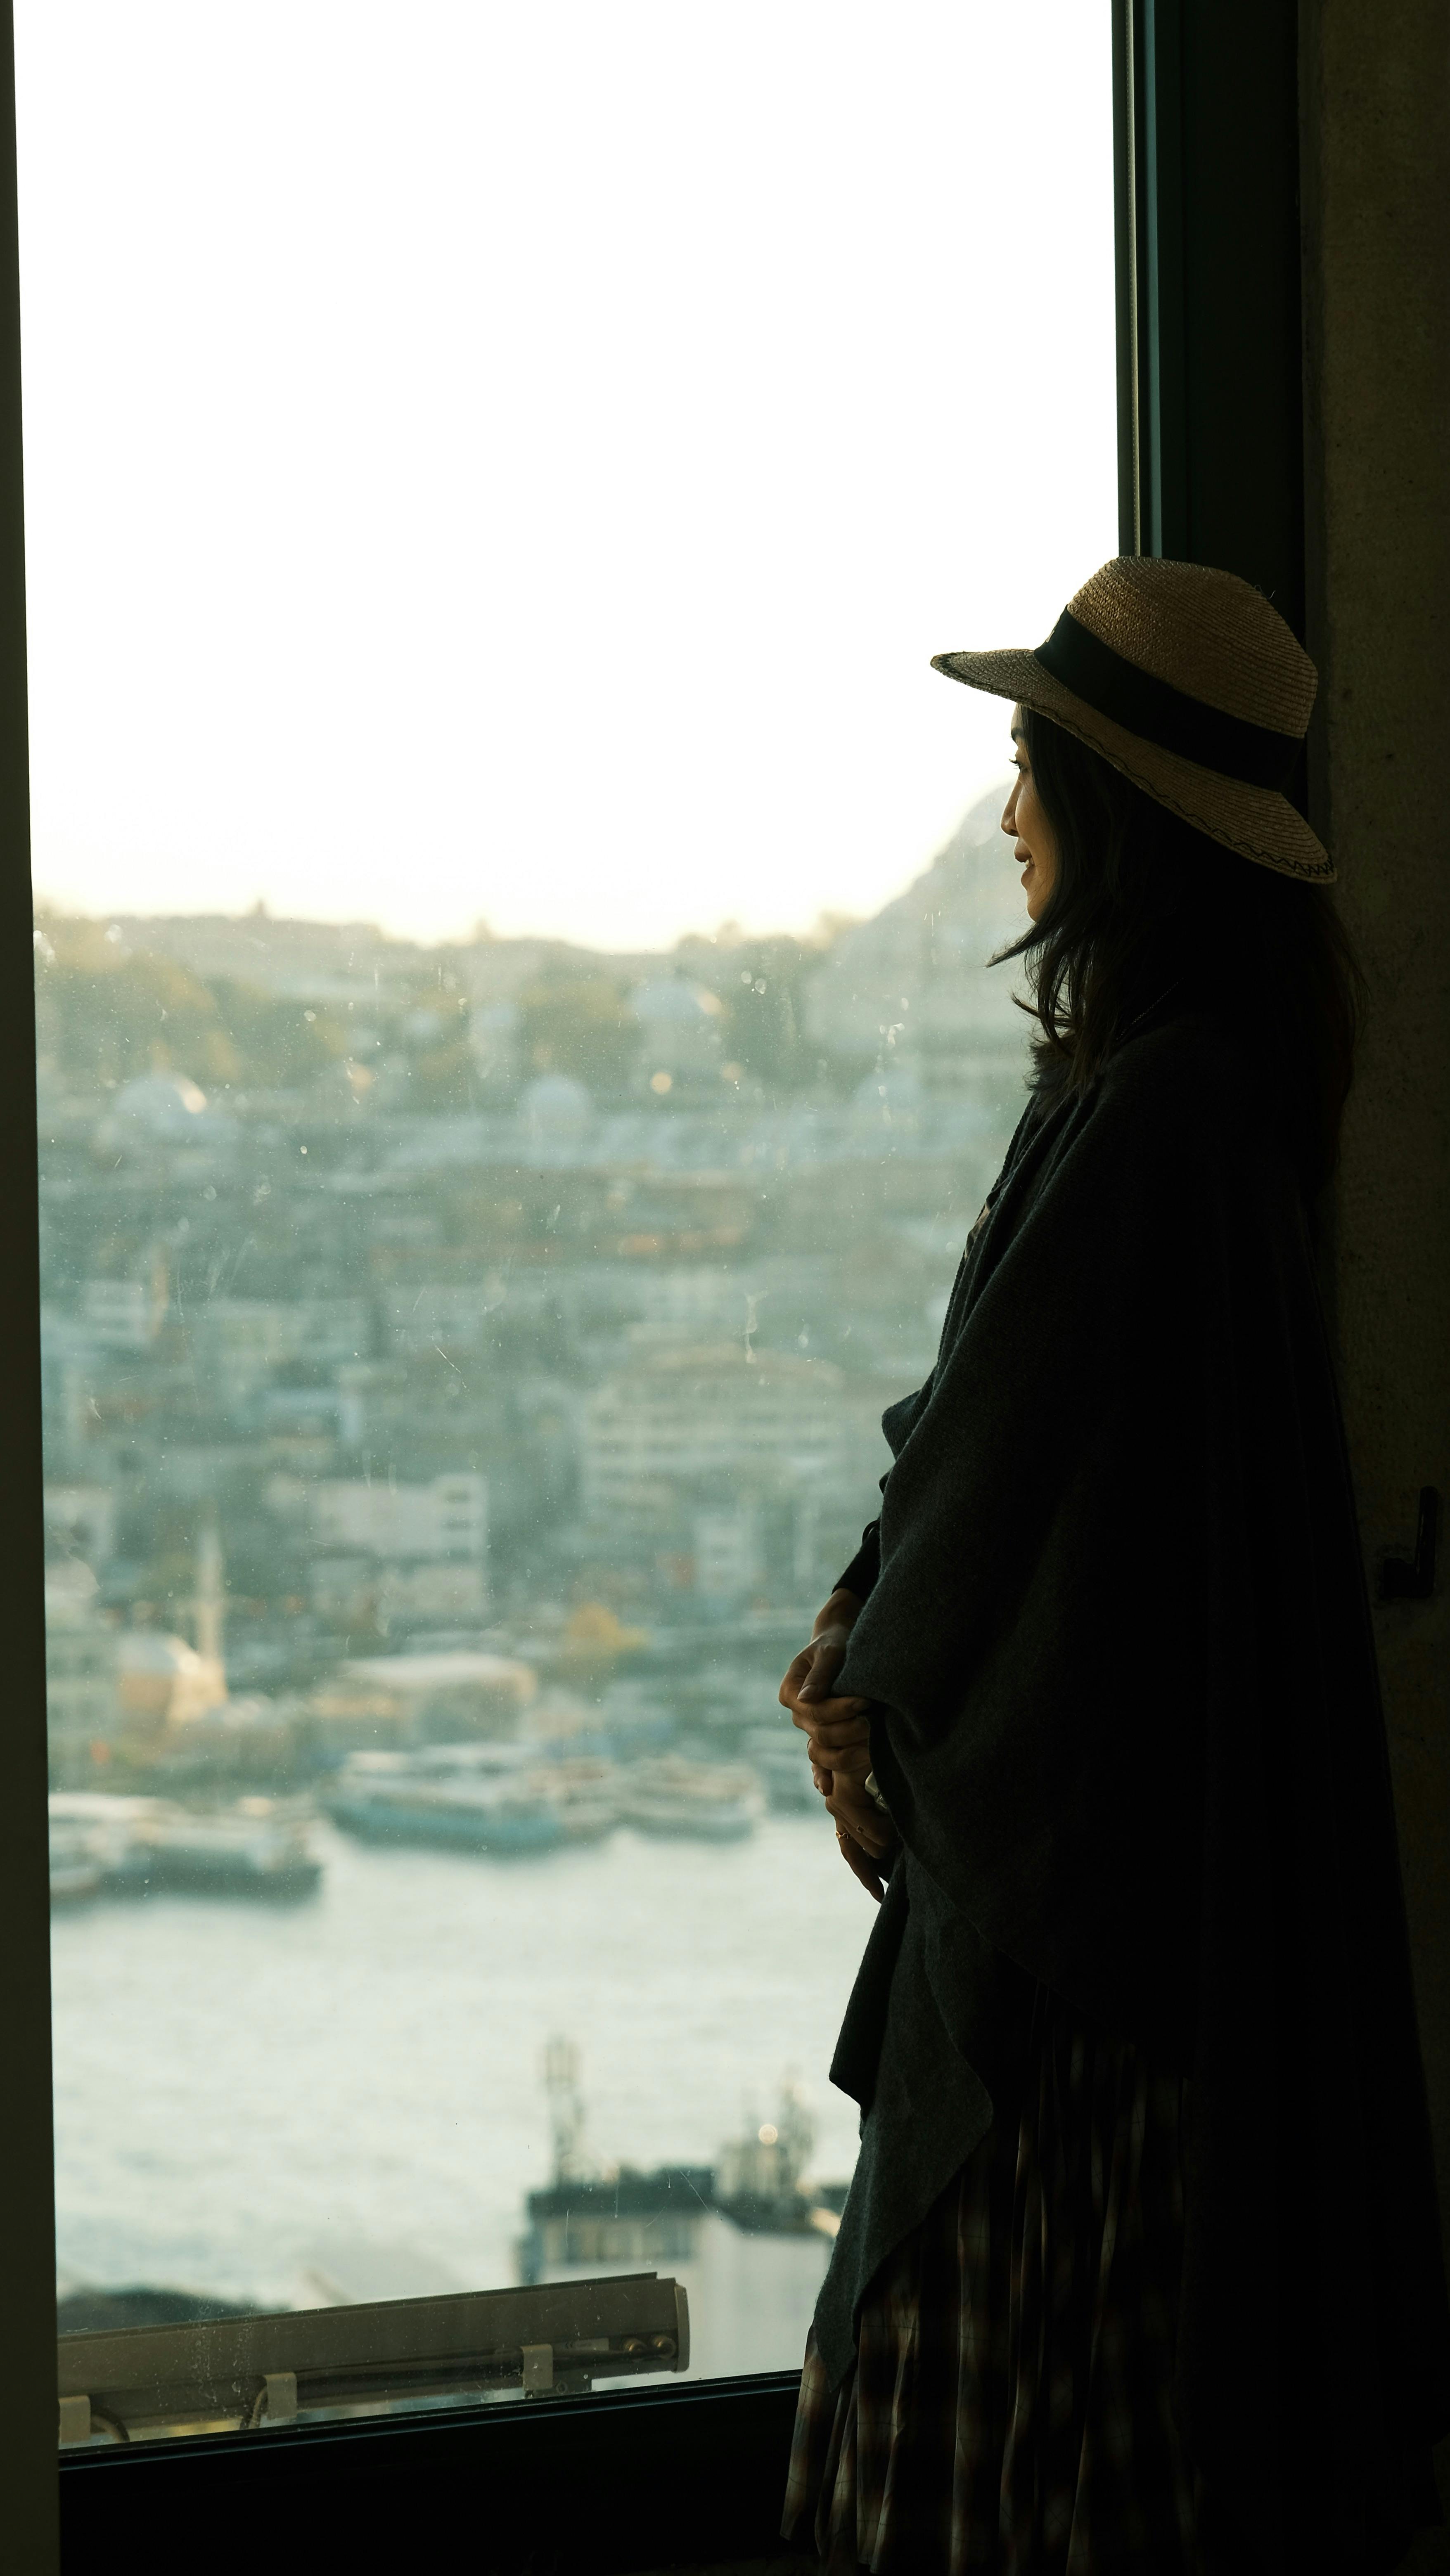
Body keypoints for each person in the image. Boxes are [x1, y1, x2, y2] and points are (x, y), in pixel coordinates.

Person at [776, 556, 1450, 2576]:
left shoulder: (1146, 1112)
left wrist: (859, 1673)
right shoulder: (1206, 1100)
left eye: (1022, 766)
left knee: (960, 2443)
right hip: (1144, 1910)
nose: (1001, 814)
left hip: (1061, 1943)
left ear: (1111, 806)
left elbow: (996, 1462)